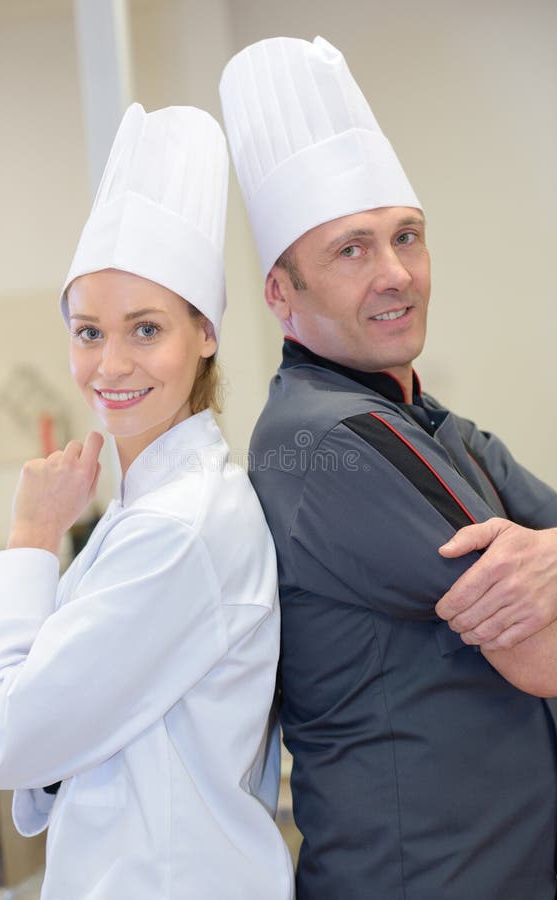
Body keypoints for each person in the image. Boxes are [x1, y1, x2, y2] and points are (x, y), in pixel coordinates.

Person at [220, 36, 557, 900]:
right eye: (351, 250)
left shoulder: (427, 420)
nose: (396, 274)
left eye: (406, 236)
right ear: (278, 292)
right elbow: (542, 654)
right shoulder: (329, 439)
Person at [0, 103, 294, 900]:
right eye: (87, 332)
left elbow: (2, 744)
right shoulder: (157, 506)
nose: (109, 363)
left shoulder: (181, 528)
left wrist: (31, 539)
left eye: (145, 330)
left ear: (204, 331)